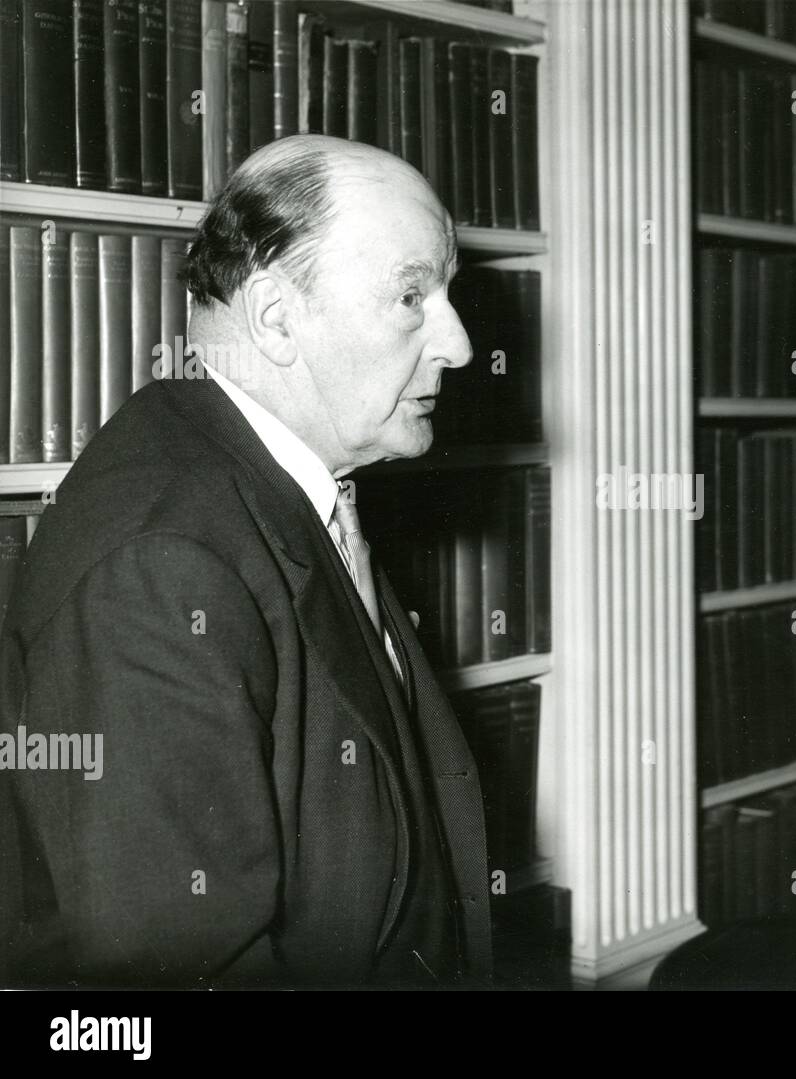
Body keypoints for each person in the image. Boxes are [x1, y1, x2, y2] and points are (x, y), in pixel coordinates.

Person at [0, 135, 491, 987]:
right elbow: (166, 967)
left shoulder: (284, 478)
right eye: (413, 295)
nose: (458, 343)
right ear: (274, 318)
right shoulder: (161, 563)